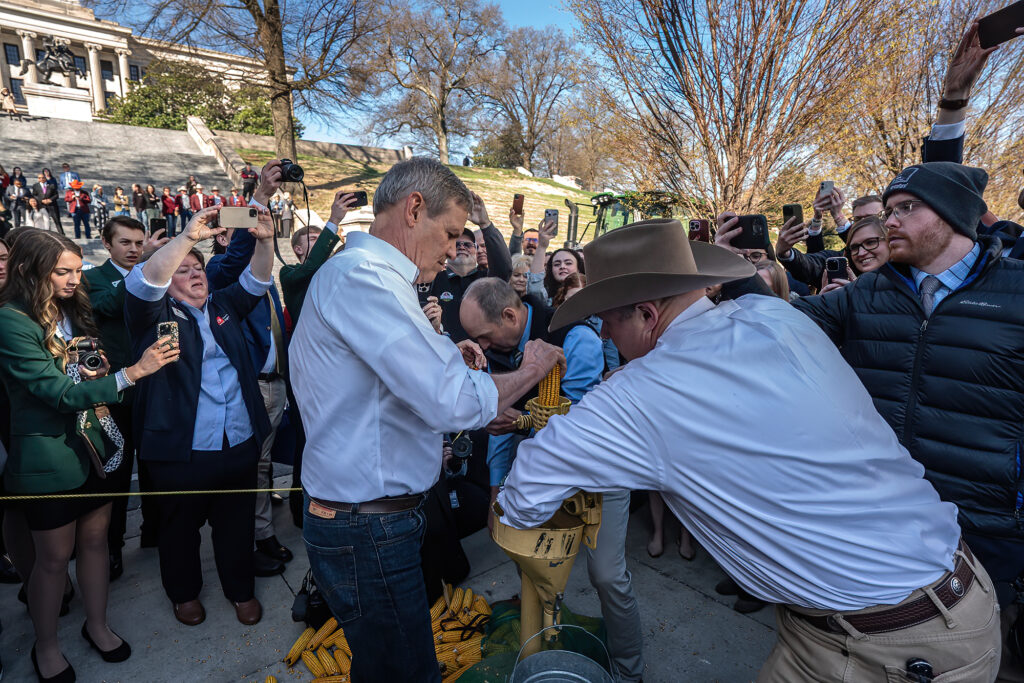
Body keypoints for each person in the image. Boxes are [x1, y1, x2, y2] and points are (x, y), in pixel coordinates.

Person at [497, 218, 1001, 681]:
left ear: (648, 313)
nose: (604, 332)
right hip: (945, 592)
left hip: (888, 645)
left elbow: (524, 495)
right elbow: (752, 300)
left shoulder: (640, 394)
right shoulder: (776, 316)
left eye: (607, 320)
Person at [289, 157, 564, 682]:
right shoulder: (364, 280)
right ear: (415, 209)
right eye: (450, 233)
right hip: (367, 524)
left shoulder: (367, 278)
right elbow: (450, 401)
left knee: (389, 662)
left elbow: (387, 378)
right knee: (405, 670)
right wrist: (531, 368)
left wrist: (444, 350)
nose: (451, 249)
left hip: (368, 516)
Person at [793, 161, 1024, 680]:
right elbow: (782, 325)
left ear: (953, 217)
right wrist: (729, 280)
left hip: (988, 528)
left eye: (906, 209)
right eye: (889, 209)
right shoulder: (870, 292)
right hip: (888, 519)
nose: (888, 222)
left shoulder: (1018, 291)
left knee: (988, 660)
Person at [0, 230, 178, 681]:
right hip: (50, 457)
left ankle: (97, 625)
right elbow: (54, 392)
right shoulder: (11, 320)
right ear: (27, 270)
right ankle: (47, 645)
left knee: (97, 542)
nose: (75, 280)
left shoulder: (74, 307)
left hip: (96, 446)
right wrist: (132, 374)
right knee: (55, 560)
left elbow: (94, 358)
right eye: (63, 272)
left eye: (79, 270)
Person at [460, 277, 646, 680]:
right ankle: (540, 641)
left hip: (599, 472)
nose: (482, 348)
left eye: (484, 337)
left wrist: (524, 421)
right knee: (533, 567)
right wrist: (497, 496)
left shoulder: (575, 337)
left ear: (510, 315)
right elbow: (499, 430)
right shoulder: (498, 348)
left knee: (608, 576)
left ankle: (630, 671)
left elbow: (576, 424)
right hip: (541, 475)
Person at [123, 205, 276, 628]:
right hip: (180, 450)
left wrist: (265, 240)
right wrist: (187, 238)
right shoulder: (149, 316)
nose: (194, 273)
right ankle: (184, 593)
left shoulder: (224, 304)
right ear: (165, 282)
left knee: (236, 523)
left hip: (238, 442)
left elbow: (258, 280)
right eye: (182, 270)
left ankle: (240, 591)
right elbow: (146, 281)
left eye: (198, 268)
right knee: (179, 529)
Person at [206, 161, 292, 577]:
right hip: (252, 386)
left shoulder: (263, 274)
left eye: (235, 227)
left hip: (277, 384)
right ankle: (259, 537)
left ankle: (263, 532)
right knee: (253, 467)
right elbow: (241, 250)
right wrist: (259, 196)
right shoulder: (217, 274)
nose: (233, 234)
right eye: (225, 230)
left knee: (266, 463)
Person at [85, 216, 169, 575]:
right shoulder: (91, 279)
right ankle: (112, 545)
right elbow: (104, 307)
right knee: (116, 474)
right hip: (115, 394)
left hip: (154, 389)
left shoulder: (156, 271)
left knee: (155, 467)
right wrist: (147, 265)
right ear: (107, 244)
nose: (134, 249)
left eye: (139, 243)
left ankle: (156, 532)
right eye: (126, 243)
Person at [277, 190, 357, 526]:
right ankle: (302, 508)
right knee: (307, 440)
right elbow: (310, 269)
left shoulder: (331, 274)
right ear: (297, 249)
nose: (322, 240)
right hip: (306, 373)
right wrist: (333, 220)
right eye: (313, 237)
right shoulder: (291, 276)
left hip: (336, 371)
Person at [418, 191, 513, 341]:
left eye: (468, 244)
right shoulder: (433, 278)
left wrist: (485, 224)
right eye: (457, 244)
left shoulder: (486, 279)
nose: (462, 247)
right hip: (445, 353)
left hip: (485, 356)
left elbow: (504, 268)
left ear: (476, 251)